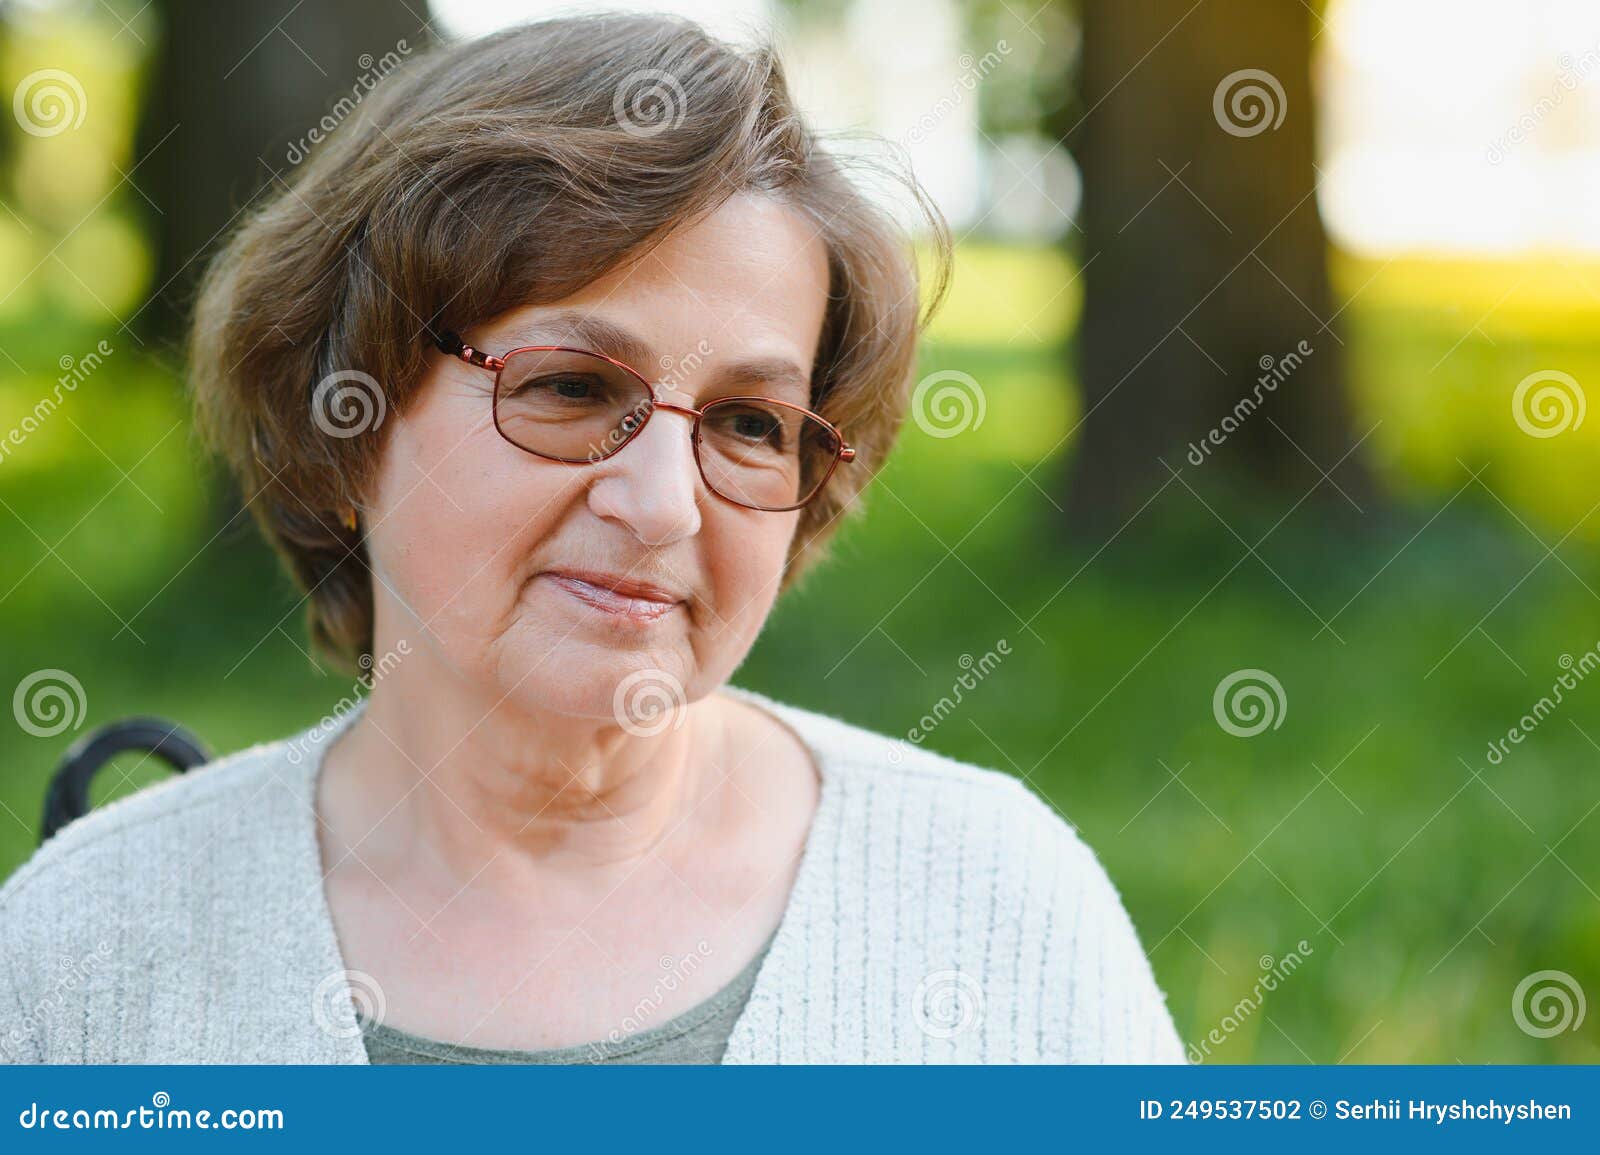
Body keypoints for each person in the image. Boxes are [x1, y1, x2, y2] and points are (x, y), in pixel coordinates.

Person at [0, 12, 1182, 1065]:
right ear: (348, 422)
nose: (663, 503)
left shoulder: (1000, 910)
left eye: (748, 423)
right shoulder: (92, 954)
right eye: (567, 387)